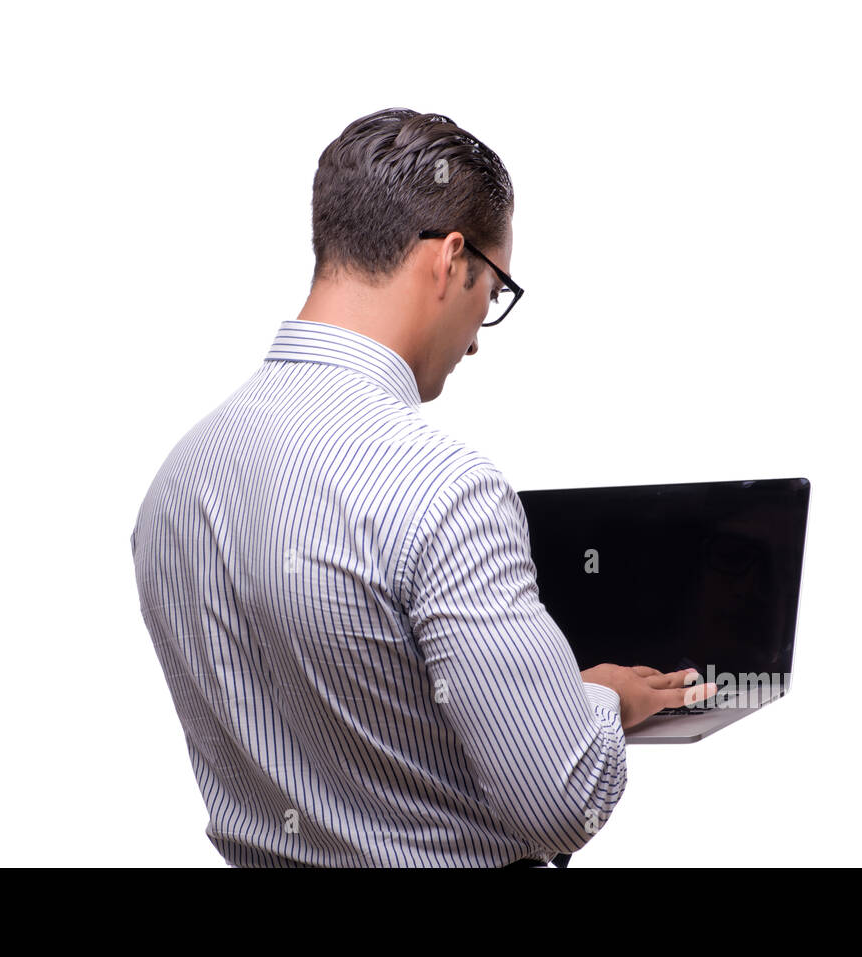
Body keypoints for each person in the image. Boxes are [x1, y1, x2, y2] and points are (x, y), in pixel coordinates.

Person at [129, 107, 715, 868]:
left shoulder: (177, 479)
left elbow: (346, 734)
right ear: (449, 258)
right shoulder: (443, 488)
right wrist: (602, 699)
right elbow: (562, 801)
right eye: (495, 290)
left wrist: (523, 702)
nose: (477, 337)